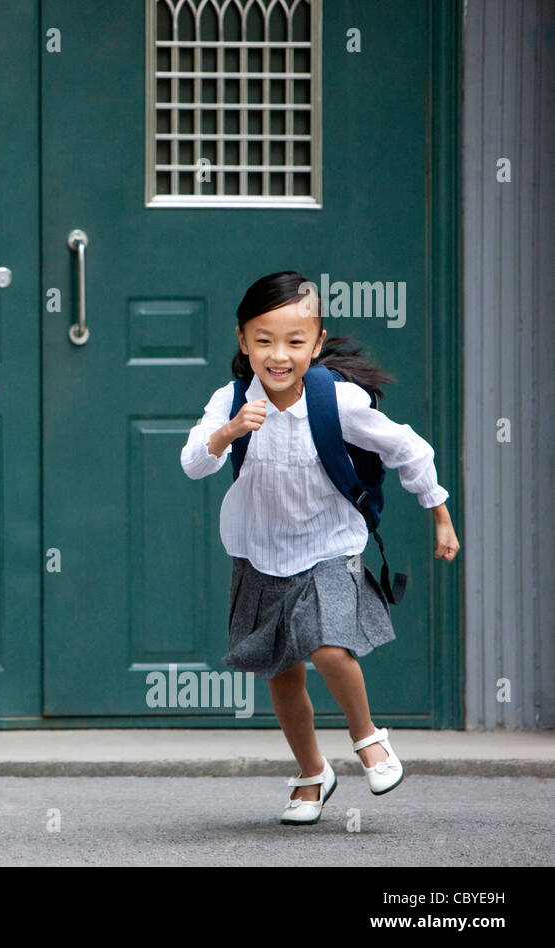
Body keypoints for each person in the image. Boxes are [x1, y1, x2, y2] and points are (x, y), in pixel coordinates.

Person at [180, 271, 460, 825]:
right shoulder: (231, 399)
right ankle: (312, 774)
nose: (278, 355)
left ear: (316, 340)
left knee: (330, 648)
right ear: (243, 340)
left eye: (294, 341)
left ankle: (368, 740)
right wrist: (230, 431)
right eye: (263, 341)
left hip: (330, 544)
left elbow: (409, 448)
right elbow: (194, 463)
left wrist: (440, 516)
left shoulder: (339, 400)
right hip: (260, 551)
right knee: (281, 671)